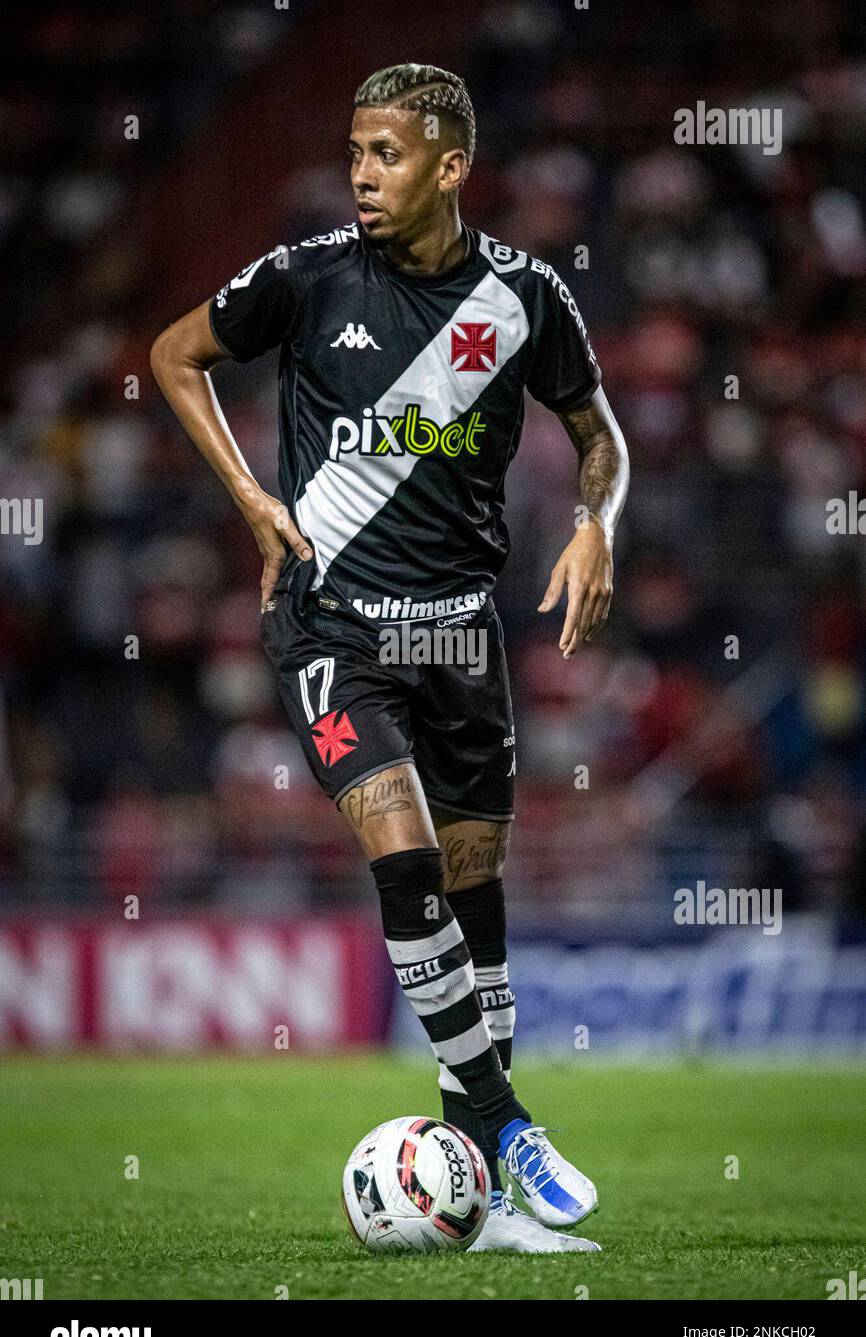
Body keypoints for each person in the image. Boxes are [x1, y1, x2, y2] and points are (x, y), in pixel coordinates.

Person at [152, 62, 629, 1252]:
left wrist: (593, 525)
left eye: (387, 154)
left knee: (475, 902)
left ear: (450, 166)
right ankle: (507, 1122)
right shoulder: (306, 279)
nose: (362, 174)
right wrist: (255, 501)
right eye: (355, 151)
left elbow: (598, 436)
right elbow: (171, 355)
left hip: (463, 638)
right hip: (330, 625)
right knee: (404, 855)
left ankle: (478, 1180)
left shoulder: (523, 300)